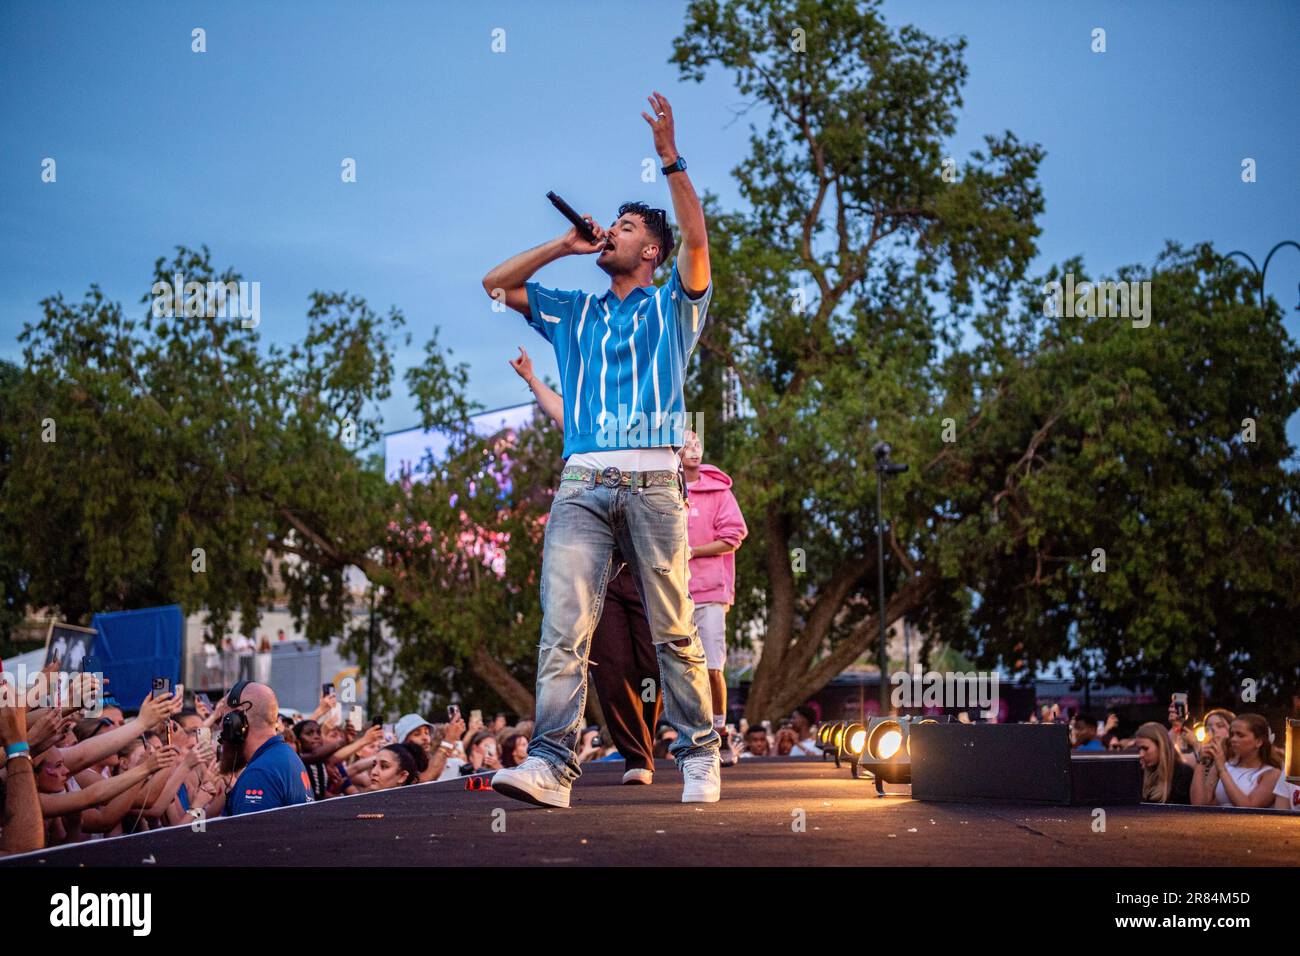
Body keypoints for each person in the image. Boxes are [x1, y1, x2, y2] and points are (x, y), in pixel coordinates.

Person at [483, 91, 719, 810]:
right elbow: (496, 286)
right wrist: (564, 245)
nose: (608, 234)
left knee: (674, 630)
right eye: (608, 226)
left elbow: (698, 240)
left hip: (652, 482)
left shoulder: (673, 303)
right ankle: (552, 765)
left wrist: (671, 156)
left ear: (649, 250)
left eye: (621, 228)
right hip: (582, 482)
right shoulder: (573, 308)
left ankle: (700, 756)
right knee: (565, 630)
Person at [509, 347, 662, 786]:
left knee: (654, 663)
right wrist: (532, 380)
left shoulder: (651, 409)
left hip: (645, 565)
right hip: (602, 572)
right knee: (611, 666)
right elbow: (561, 411)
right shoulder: (588, 423)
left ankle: (652, 736)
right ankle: (637, 757)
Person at [680, 428, 748, 765]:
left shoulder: (719, 490)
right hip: (672, 592)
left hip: (709, 591)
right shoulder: (664, 487)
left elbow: (734, 536)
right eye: (685, 444)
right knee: (673, 667)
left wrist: (691, 552)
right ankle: (681, 736)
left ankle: (721, 735)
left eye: (697, 444)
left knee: (711, 666)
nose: (693, 450)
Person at [223, 682, 314, 815]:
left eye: (225, 720)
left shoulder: (259, 774)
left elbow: (247, 835)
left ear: (237, 722)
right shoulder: (287, 755)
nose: (222, 728)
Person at [1190, 713, 1281, 808]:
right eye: (1232, 734)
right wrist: (1201, 762)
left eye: (1240, 735)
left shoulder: (1272, 774)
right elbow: (1199, 804)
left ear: (1259, 742)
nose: (1233, 739)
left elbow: (1248, 806)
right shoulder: (1223, 766)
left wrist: (1222, 769)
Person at [1134, 721, 1192, 804]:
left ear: (1161, 747)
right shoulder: (1140, 772)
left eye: (1145, 748)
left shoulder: (1183, 773)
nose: (1141, 754)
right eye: (1139, 749)